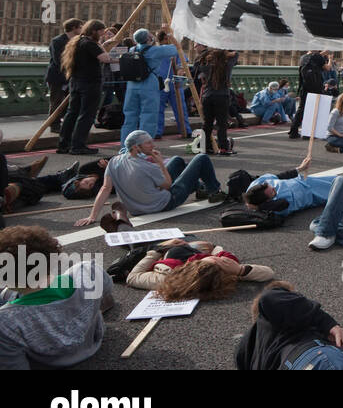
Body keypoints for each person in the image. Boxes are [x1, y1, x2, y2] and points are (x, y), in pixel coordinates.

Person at [0, 225, 113, 370]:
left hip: (49, 363)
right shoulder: (88, 271)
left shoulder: (6, 322)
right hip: (91, 341)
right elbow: (107, 289)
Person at [75, 132, 222, 228]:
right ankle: (213, 190)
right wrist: (160, 164)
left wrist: (92, 215)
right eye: (148, 143)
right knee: (201, 158)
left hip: (136, 209)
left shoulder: (114, 161)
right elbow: (167, 185)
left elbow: (105, 189)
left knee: (177, 160)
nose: (153, 145)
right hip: (164, 203)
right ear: (136, 147)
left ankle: (199, 187)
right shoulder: (147, 166)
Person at [236, 281, 343, 370]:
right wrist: (328, 323)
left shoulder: (247, 348)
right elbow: (269, 297)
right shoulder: (272, 307)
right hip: (314, 358)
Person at [126, 238, 274, 297]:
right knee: (202, 243)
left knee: (135, 245)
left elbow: (133, 277)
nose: (218, 259)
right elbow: (268, 273)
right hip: (194, 249)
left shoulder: (166, 279)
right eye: (217, 260)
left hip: (167, 252)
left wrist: (158, 249)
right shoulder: (225, 271)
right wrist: (240, 270)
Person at [56, 20, 114, 155]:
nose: (101, 34)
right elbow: (105, 58)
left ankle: (64, 144)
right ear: (93, 31)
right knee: (87, 114)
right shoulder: (90, 43)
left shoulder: (77, 42)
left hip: (76, 82)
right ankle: (78, 145)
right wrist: (103, 46)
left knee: (72, 113)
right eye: (100, 31)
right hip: (90, 83)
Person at [243, 157, 330, 216]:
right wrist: (258, 207)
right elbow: (283, 203)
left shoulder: (257, 184)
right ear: (267, 201)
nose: (273, 188)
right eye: (272, 192)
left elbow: (279, 176)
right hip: (311, 194)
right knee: (338, 192)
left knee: (338, 179)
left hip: (304, 181)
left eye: (270, 186)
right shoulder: (274, 208)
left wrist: (300, 168)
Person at [194, 48, 238, 155]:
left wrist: (208, 52)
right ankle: (223, 148)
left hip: (207, 96)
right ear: (224, 56)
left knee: (207, 124)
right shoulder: (227, 66)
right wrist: (227, 52)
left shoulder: (206, 67)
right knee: (221, 124)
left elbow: (198, 61)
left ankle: (204, 147)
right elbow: (236, 55)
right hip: (222, 96)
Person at [45, 18, 83, 132]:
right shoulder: (57, 41)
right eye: (80, 27)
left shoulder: (78, 41)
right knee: (56, 102)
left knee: (69, 103)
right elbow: (59, 61)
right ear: (74, 28)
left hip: (71, 77)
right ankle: (54, 125)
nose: (82, 29)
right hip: (57, 77)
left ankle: (66, 124)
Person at [289, 49, 329, 140]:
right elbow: (327, 68)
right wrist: (330, 58)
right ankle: (308, 133)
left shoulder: (303, 58)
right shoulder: (318, 57)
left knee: (301, 109)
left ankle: (293, 131)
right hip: (316, 87)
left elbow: (312, 56)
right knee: (314, 109)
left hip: (304, 86)